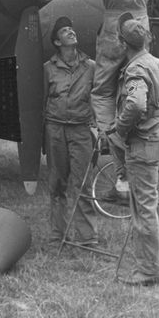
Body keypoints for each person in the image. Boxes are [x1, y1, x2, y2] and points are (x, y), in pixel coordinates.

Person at [61, 0, 150, 196]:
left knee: (101, 93)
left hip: (114, 32)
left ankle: (114, 148)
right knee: (134, 90)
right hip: (142, 28)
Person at [108, 12, 159, 286]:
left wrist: (121, 130)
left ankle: (148, 271)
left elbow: (135, 104)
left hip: (143, 144)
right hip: (158, 140)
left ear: (124, 44)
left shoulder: (136, 69)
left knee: (144, 209)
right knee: (146, 205)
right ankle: (147, 266)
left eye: (118, 39)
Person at [43, 16, 99, 246]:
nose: (71, 32)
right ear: (57, 42)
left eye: (71, 29)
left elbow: (98, 97)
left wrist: (98, 128)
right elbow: (41, 99)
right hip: (55, 129)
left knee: (82, 182)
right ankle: (59, 235)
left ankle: (87, 237)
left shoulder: (91, 66)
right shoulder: (48, 68)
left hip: (81, 130)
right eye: (65, 31)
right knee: (57, 184)